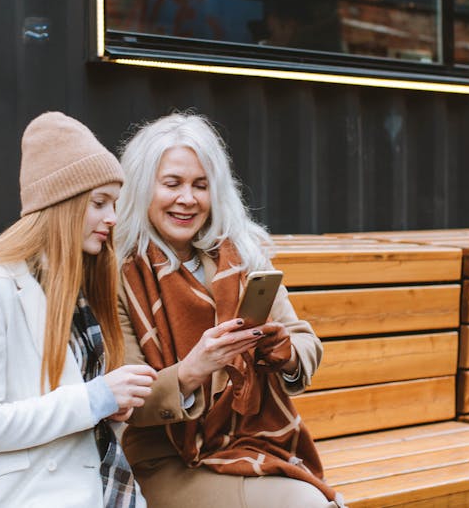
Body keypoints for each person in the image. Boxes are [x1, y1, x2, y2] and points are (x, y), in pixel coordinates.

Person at [114, 113, 340, 507]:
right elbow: (129, 404)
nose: (188, 199)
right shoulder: (119, 273)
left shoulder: (242, 255)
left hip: (249, 442)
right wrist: (191, 371)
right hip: (163, 461)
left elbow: (305, 344)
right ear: (141, 188)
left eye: (200, 186)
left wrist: (283, 353)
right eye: (172, 184)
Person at [0, 111, 157, 507]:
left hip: (104, 488)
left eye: (114, 204)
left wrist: (109, 408)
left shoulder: (78, 289)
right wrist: (96, 399)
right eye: (99, 203)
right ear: (62, 204)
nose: (112, 218)